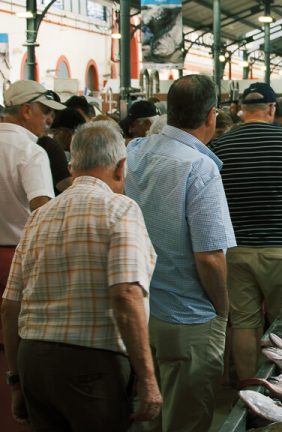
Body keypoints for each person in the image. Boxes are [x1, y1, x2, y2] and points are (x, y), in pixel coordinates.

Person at [1, 121, 161, 430]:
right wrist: (148, 379)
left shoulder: (38, 217)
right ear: (121, 166)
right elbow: (127, 295)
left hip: (33, 359)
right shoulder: (120, 210)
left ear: (73, 165)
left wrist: (17, 381)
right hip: (91, 364)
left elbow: (9, 307)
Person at [125, 75, 236, 432]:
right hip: (187, 317)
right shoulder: (200, 167)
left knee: (149, 415)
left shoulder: (134, 152)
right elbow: (209, 256)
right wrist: (222, 308)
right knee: (187, 419)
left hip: (140, 308)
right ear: (211, 116)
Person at [212, 83, 282, 387]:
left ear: (241, 110)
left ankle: (249, 390)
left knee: (244, 323)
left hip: (235, 250)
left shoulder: (221, 145)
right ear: (272, 109)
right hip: (281, 249)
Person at [0, 80, 63, 297]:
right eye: (45, 111)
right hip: (17, 258)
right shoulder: (30, 152)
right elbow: (42, 211)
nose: (49, 119)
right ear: (27, 110)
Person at [38, 107, 85, 194]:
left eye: (56, 132)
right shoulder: (51, 147)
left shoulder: (47, 144)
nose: (54, 136)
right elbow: (65, 184)